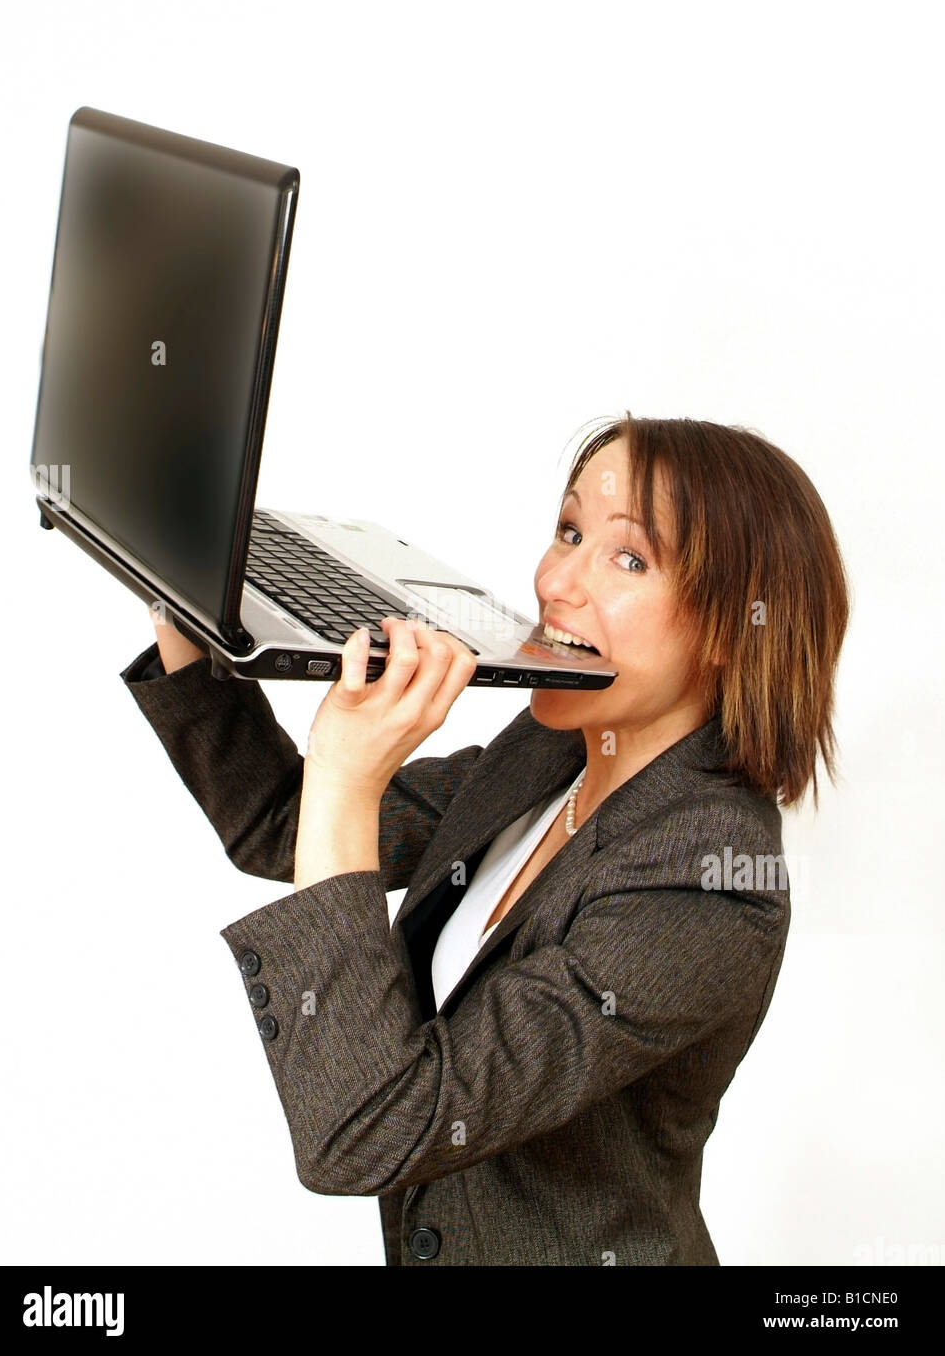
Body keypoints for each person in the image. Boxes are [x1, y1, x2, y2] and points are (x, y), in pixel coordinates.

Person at [119, 414, 849, 1265]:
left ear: (731, 629)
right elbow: (285, 819)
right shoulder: (550, 751)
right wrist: (183, 603)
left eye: (627, 558)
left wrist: (351, 774)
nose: (555, 581)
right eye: (568, 531)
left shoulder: (705, 881)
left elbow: (368, 1130)